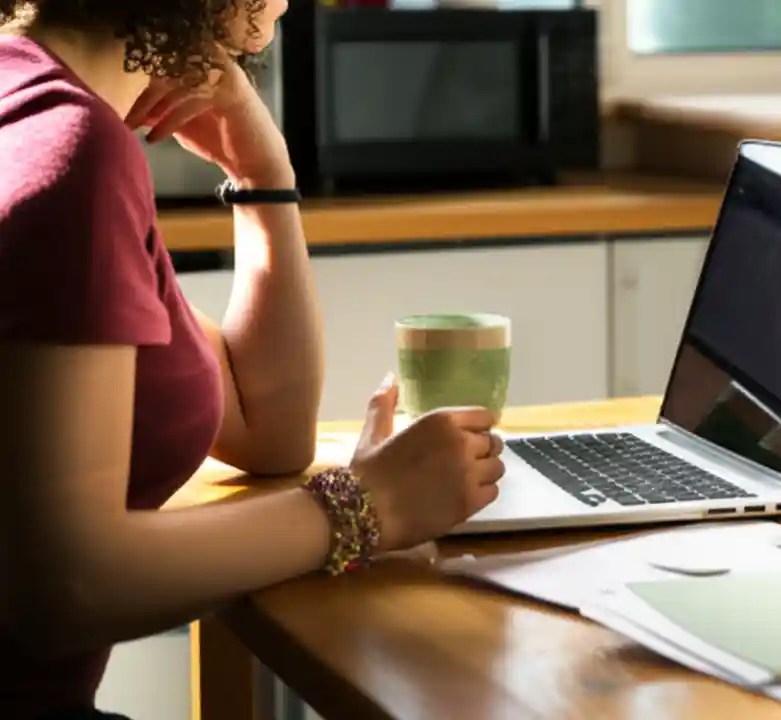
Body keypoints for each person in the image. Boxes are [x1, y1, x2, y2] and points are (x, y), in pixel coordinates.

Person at [0, 1, 506, 716]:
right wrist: (370, 505)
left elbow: (266, 430)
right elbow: (64, 589)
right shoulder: (69, 149)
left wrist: (260, 165)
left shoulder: (29, 102)